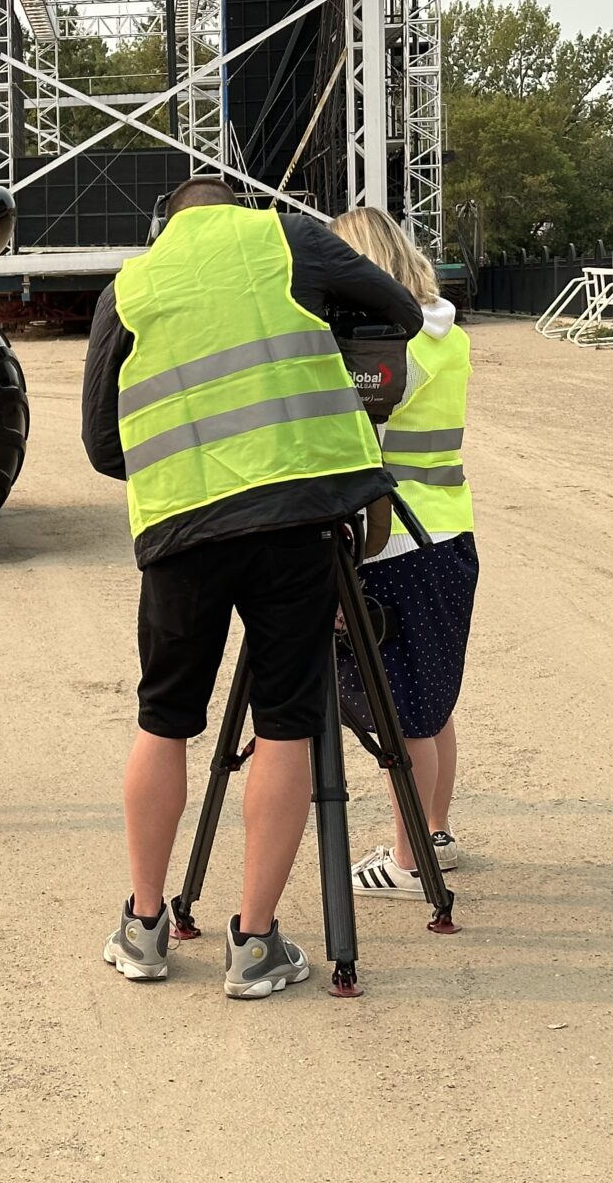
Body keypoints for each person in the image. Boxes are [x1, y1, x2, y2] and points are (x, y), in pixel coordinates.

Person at [81, 178, 422, 997]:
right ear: (237, 205)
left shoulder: (128, 289)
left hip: (180, 530)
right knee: (285, 726)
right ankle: (256, 942)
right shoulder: (287, 240)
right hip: (296, 517)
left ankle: (144, 925)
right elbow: (401, 312)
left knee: (163, 720)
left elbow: (102, 444)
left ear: (168, 221)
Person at [326, 207, 479, 898]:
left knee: (401, 709)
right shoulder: (446, 335)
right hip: (448, 529)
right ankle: (434, 830)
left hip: (392, 541)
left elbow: (353, 450)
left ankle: (409, 858)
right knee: (433, 700)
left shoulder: (384, 353)